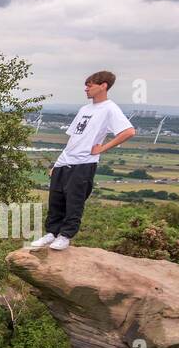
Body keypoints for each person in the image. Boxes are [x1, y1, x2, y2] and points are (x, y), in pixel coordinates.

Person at [30, 71, 135, 250]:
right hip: (65, 160)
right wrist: (57, 163)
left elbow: (129, 131)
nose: (86, 88)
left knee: (74, 201)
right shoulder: (84, 110)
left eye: (90, 85)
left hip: (84, 163)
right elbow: (72, 139)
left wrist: (102, 148)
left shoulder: (110, 108)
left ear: (103, 86)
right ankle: (52, 233)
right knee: (56, 199)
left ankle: (65, 236)